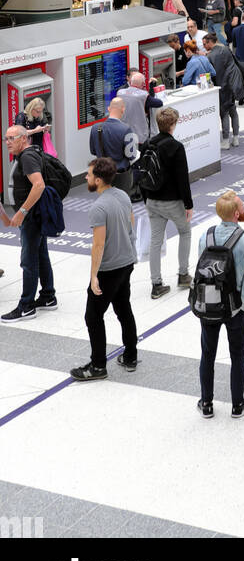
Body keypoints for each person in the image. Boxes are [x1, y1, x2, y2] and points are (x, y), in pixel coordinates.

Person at [195, 189, 244, 419]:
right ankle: (237, 405)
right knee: (237, 355)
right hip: (237, 306)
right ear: (235, 214)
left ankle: (206, 403)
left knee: (207, 354)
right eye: (241, 206)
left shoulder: (205, 237)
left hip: (209, 304)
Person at [70, 156, 138, 380]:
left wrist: (93, 276)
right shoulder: (123, 195)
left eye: (89, 175)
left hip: (109, 269)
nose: (86, 177)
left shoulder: (98, 208)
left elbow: (98, 245)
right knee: (123, 309)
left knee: (93, 316)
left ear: (98, 180)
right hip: (127, 262)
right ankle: (130, 356)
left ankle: (98, 366)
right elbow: (131, 224)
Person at [0, 123, 55, 321]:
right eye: (6, 138)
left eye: (11, 138)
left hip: (32, 217)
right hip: (33, 215)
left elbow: (38, 185)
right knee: (41, 255)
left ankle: (26, 306)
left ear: (23, 139)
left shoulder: (27, 157)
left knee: (29, 260)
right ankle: (48, 296)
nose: (7, 142)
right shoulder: (23, 156)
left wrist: (22, 212)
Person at [144, 106, 194, 299]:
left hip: (152, 200)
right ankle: (183, 274)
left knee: (155, 241)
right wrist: (188, 204)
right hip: (172, 201)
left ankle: (156, 284)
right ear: (173, 124)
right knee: (185, 231)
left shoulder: (148, 144)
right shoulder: (176, 147)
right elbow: (182, 179)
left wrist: (147, 198)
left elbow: (143, 173)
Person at [88, 97, 137, 196]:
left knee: (105, 199)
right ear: (123, 109)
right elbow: (131, 155)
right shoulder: (126, 129)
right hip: (120, 175)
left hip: (102, 174)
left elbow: (93, 151)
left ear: (109, 109)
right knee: (121, 200)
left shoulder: (95, 128)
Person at [203, 31, 244, 147]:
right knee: (233, 112)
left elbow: (213, 75)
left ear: (210, 43)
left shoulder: (211, 56)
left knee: (224, 113)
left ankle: (225, 141)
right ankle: (236, 138)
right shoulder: (225, 49)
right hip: (233, 84)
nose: (204, 46)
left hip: (222, 87)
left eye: (205, 44)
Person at [116, 71, 162, 146]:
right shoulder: (142, 95)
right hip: (139, 136)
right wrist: (151, 87)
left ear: (131, 82)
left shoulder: (120, 92)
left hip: (123, 132)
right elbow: (159, 103)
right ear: (143, 84)